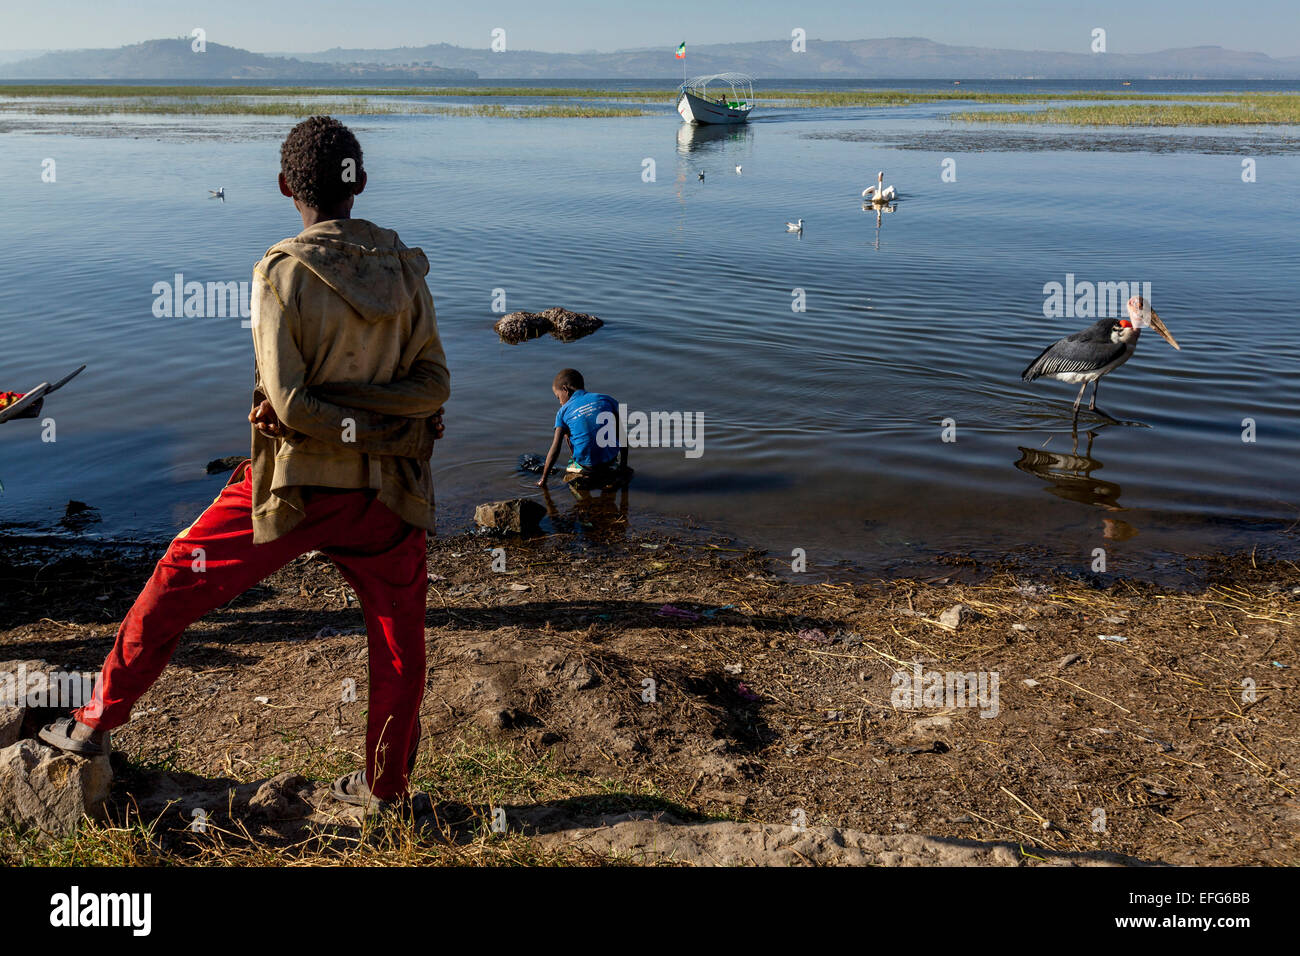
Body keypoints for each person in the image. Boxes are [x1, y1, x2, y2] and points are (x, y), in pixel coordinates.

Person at [40, 115, 450, 812]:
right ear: (361, 183)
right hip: (385, 488)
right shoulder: (405, 268)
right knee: (398, 639)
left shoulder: (283, 271)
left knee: (174, 584)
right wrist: (383, 420)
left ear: (286, 184)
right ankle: (388, 791)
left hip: (291, 485)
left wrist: (327, 404)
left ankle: (92, 725)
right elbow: (433, 385)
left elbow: (289, 407)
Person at [537, 368, 627, 490]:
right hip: (610, 461)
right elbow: (622, 434)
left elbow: (555, 447)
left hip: (588, 466)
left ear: (565, 390)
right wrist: (623, 466)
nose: (560, 402)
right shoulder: (606, 399)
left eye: (558, 397)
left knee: (566, 430)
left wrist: (543, 479)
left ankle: (578, 464)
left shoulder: (563, 412)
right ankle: (610, 481)